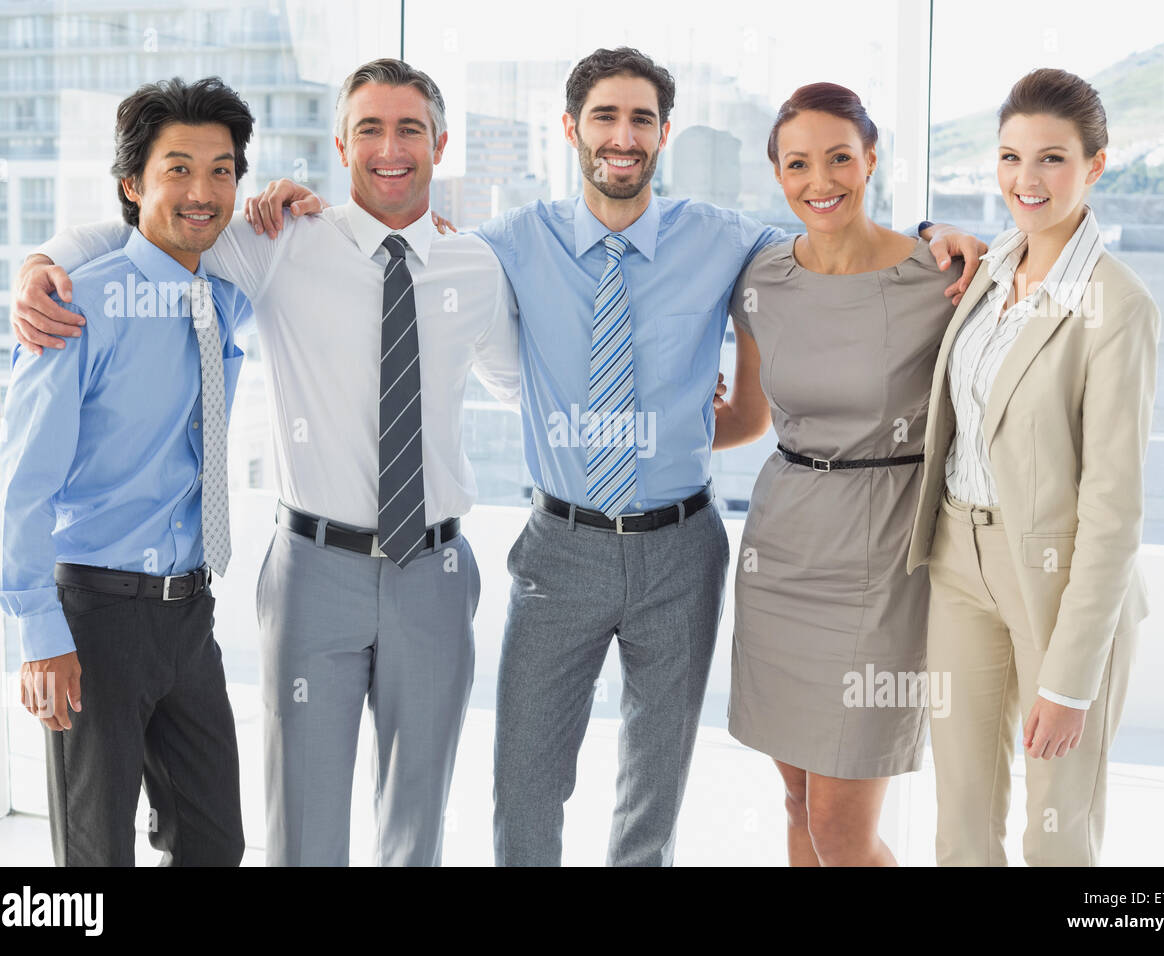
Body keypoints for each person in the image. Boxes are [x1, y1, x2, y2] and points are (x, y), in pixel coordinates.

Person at [248, 46, 986, 866]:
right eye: (604, 116)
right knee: (525, 785)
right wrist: (298, 202)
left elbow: (834, 230)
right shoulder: (506, 245)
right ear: (571, 129)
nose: (622, 136)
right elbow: (413, 252)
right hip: (559, 549)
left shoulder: (726, 241)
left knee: (653, 791)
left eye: (641, 118)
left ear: (664, 132)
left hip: (682, 549)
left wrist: (933, 233)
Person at [9, 59, 520, 866]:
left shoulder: (472, 267)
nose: (390, 147)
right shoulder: (272, 247)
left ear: (441, 143)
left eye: (410, 128)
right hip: (282, 574)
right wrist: (42, 261)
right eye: (370, 130)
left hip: (413, 572)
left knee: (379, 823)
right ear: (341, 145)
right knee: (258, 835)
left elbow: (526, 380)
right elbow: (158, 234)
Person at [0, 76, 254, 866]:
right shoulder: (75, 306)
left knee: (213, 842)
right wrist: (38, 634)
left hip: (191, 613)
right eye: (178, 169)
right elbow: (21, 482)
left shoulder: (226, 300)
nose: (203, 192)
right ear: (133, 186)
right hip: (93, 617)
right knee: (95, 858)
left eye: (223, 170)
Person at [905, 68, 1161, 866]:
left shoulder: (1119, 307)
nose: (1027, 179)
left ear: (1096, 165)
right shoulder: (985, 271)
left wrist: (1072, 679)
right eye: (1012, 157)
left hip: (1056, 581)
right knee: (962, 822)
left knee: (1057, 830)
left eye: (1052, 159)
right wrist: (929, 232)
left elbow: (1114, 510)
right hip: (957, 561)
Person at [712, 83, 962, 866]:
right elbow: (750, 420)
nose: (819, 181)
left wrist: (945, 231)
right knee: (795, 802)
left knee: (840, 826)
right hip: (783, 550)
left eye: (839, 159)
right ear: (778, 176)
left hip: (885, 558)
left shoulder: (941, 272)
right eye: (798, 165)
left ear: (871, 160)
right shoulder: (762, 280)